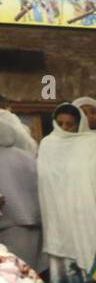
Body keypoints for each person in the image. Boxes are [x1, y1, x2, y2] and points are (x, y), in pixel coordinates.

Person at [36, 103, 96, 283]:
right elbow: (45, 186)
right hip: (58, 220)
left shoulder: (92, 143)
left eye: (71, 124)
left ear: (79, 124)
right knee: (66, 276)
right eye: (61, 124)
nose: (66, 128)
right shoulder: (47, 145)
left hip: (88, 216)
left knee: (91, 264)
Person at [0, 109, 43, 270]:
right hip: (33, 224)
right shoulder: (28, 158)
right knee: (31, 273)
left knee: (12, 275)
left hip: (6, 225)